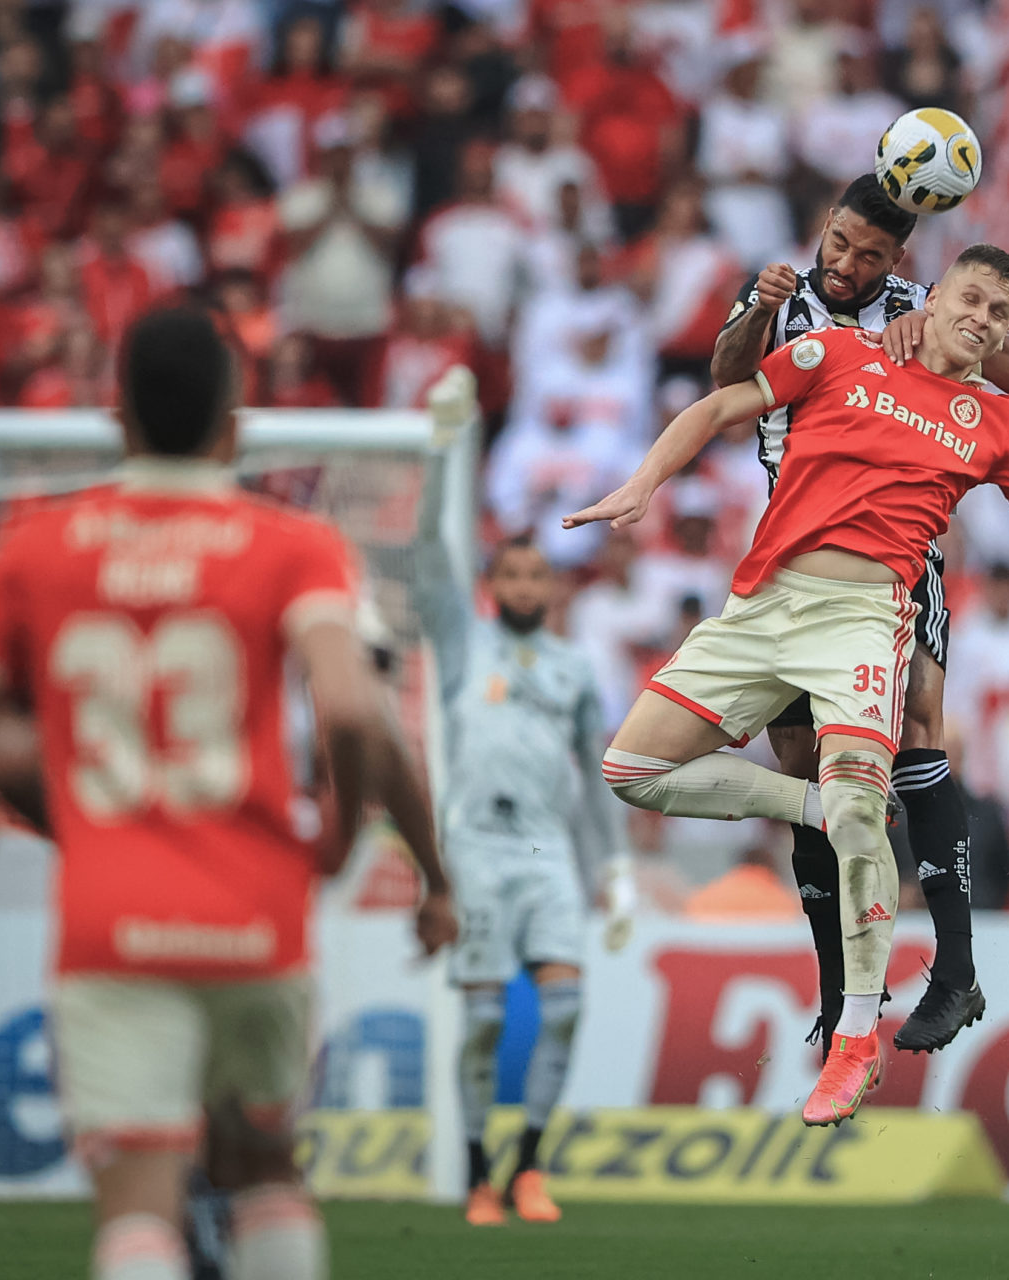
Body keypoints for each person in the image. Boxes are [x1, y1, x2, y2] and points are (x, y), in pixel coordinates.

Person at [567, 244, 1009, 1125]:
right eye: (970, 298)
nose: (982, 319)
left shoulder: (995, 419)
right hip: (761, 604)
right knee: (630, 769)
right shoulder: (841, 353)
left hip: (864, 619)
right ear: (931, 298)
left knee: (863, 810)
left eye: (1000, 313)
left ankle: (856, 1040)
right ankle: (808, 806)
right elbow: (718, 402)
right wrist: (639, 485)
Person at [0, 304, 457, 1280]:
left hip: (111, 919)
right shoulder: (292, 545)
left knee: (139, 1210)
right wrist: (354, 843)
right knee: (266, 1168)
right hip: (258, 910)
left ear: (116, 419)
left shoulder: (36, 550)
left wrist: (75, 787)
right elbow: (357, 713)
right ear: (235, 425)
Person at [709, 175, 1009, 1056]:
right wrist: (758, 310)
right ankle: (836, 993)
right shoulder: (774, 295)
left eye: (871, 255)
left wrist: (945, 328)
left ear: (900, 262)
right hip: (793, 546)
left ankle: (956, 966)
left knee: (918, 728)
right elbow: (722, 385)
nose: (849, 264)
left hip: (897, 547)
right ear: (824, 229)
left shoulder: (918, 304)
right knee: (800, 771)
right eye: (841, 244)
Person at [412, 385, 636, 1228]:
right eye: (509, 571)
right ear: (494, 583)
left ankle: (527, 1169)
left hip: (546, 851)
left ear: (551, 586)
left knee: (568, 1008)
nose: (523, 583)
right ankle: (476, 1174)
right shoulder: (464, 641)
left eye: (535, 573)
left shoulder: (576, 668)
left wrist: (611, 868)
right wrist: (441, 452)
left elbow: (594, 774)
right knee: (477, 1025)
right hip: (473, 849)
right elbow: (430, 560)